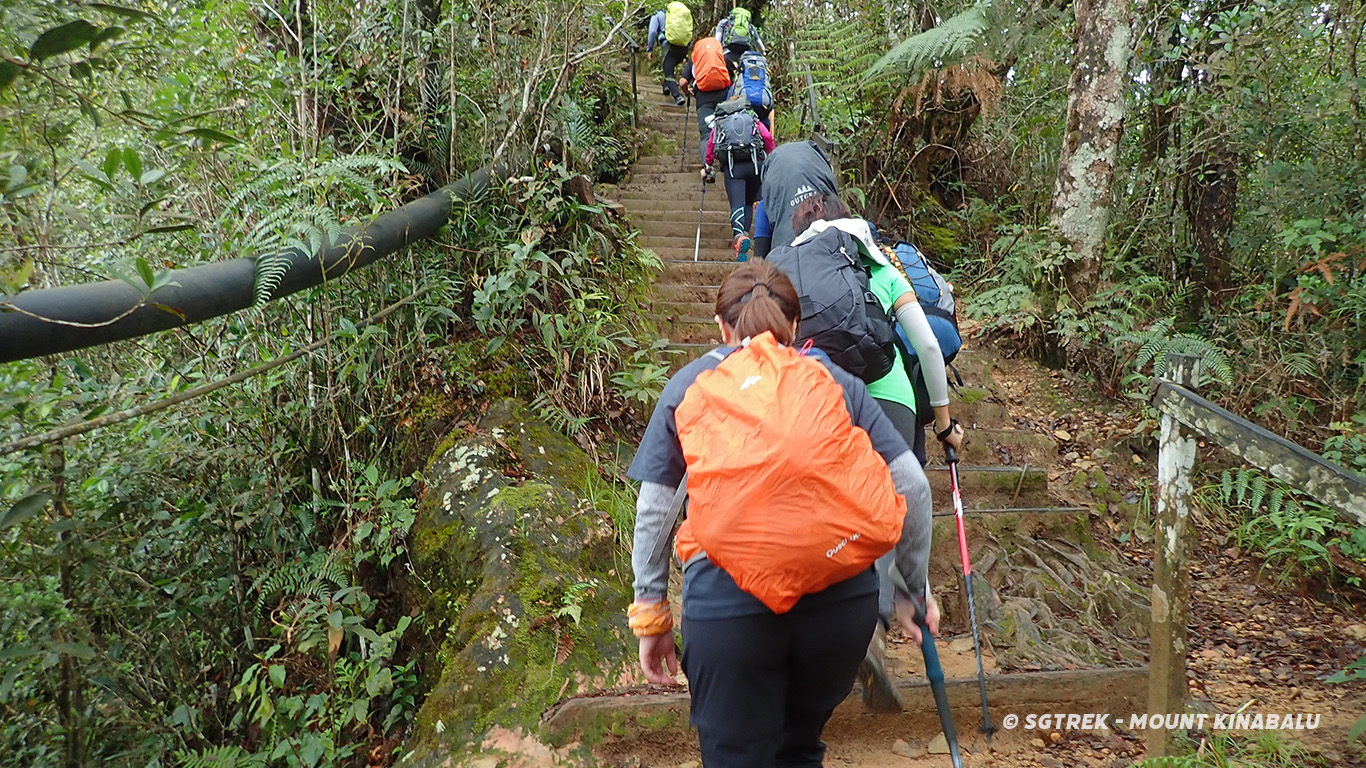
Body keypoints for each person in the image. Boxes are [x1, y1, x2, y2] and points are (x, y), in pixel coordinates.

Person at [627, 260, 941, 767]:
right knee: (798, 747)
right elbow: (911, 486)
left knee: (736, 755)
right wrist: (910, 590)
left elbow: (657, 509)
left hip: (730, 609)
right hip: (841, 607)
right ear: (795, 326)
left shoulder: (691, 384)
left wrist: (652, 614)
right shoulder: (835, 380)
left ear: (721, 327)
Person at [778, 194, 966, 713]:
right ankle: (873, 631)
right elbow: (928, 347)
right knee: (883, 506)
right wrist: (945, 423)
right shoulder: (875, 264)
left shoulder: (788, 273)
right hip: (886, 396)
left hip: (813, 398)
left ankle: (804, 633)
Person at [704, 100, 774, 259]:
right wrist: (772, 156)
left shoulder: (721, 122)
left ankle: (739, 237)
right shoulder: (751, 118)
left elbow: (711, 145)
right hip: (756, 164)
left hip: (733, 167)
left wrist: (708, 166)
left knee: (737, 204)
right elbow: (767, 137)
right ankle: (745, 233)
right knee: (749, 202)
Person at [754, 141, 839, 258]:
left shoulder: (765, 207)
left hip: (786, 267)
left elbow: (759, 257)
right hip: (832, 264)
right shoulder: (831, 201)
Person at [679, 36, 733, 172]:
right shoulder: (721, 58)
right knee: (725, 131)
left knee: (706, 135)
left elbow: (683, 82)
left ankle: (707, 168)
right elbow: (735, 71)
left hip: (703, 99)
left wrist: (687, 93)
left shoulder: (694, 60)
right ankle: (725, 166)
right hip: (723, 96)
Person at [646, 5, 690, 106]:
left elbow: (652, 32)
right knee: (670, 67)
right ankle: (666, 86)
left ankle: (678, 96)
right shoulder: (677, 16)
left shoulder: (657, 15)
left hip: (669, 46)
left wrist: (650, 49)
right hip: (683, 47)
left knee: (668, 73)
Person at [714, 5, 766, 70]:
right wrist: (761, 57)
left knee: (728, 73)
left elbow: (717, 41)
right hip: (746, 55)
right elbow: (762, 48)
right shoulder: (750, 27)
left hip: (728, 53)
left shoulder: (724, 22)